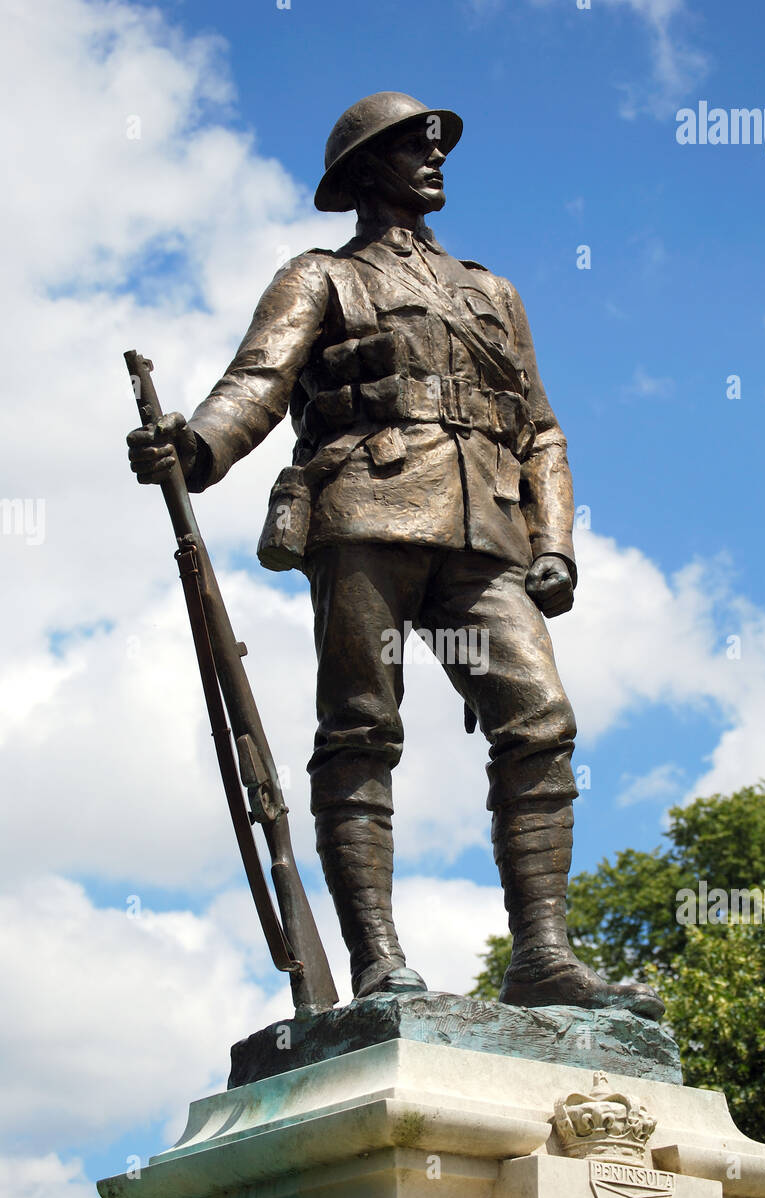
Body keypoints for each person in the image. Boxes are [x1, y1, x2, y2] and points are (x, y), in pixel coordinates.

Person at [128, 92, 663, 1019]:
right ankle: (377, 960)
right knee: (361, 732)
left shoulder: (492, 291)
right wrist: (199, 447)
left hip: (487, 534)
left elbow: (540, 429)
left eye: (437, 145)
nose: (434, 158)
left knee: (540, 719)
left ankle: (542, 957)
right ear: (364, 170)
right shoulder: (320, 277)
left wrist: (556, 541)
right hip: (367, 510)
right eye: (411, 146)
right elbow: (258, 384)